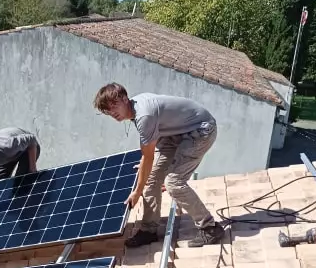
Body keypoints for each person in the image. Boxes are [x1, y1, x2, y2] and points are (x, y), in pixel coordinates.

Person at [93, 84, 225, 248]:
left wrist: (137, 191)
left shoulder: (144, 115)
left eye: (114, 105)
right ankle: (149, 230)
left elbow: (147, 157)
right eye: (107, 110)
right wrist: (145, 166)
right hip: (175, 135)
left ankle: (210, 228)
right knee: (150, 177)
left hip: (200, 130)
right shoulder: (136, 109)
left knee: (173, 183)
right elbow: (147, 157)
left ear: (125, 99)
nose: (112, 113)